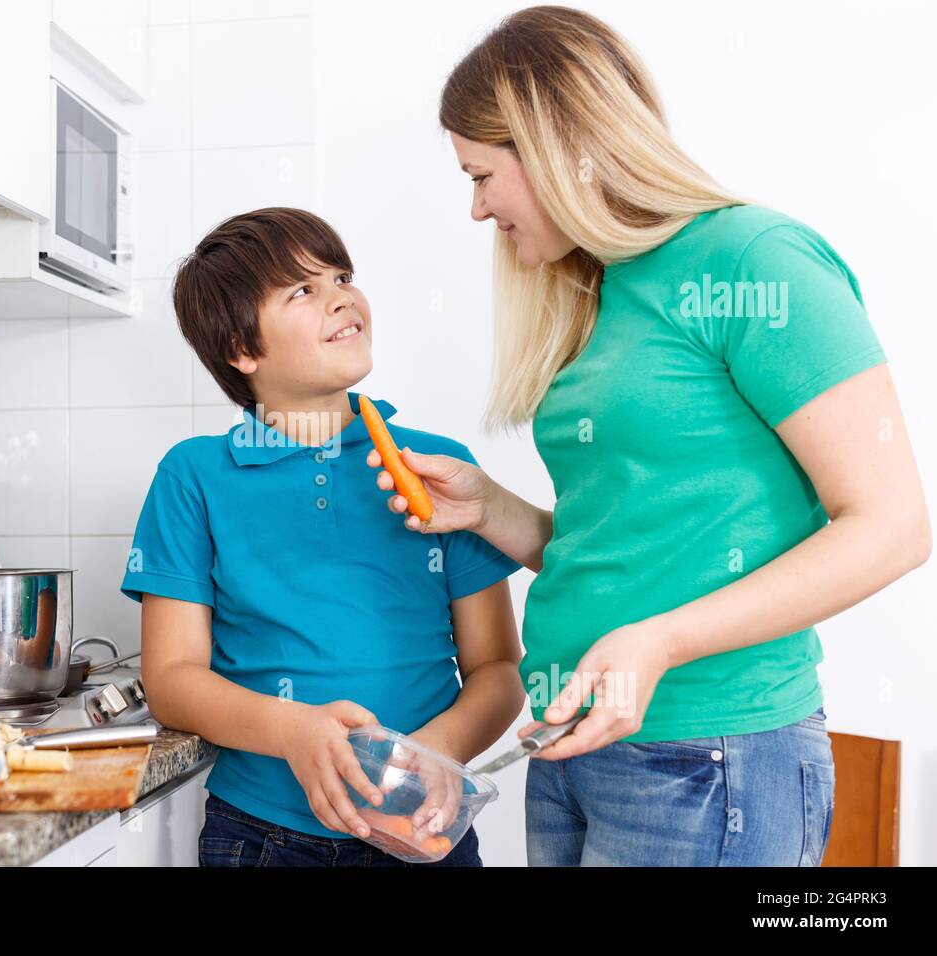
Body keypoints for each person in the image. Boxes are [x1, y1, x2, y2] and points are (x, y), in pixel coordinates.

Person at [368, 5, 930, 866]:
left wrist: (661, 643)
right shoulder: (596, 292)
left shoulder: (755, 260)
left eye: (483, 175)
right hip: (574, 749)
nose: (478, 209)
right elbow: (628, 546)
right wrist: (488, 509)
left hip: (710, 754)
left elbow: (892, 528)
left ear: (555, 143)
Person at [120, 207, 527, 866]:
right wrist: (294, 732)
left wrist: (436, 755)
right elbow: (171, 678)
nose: (343, 296)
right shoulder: (194, 477)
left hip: (425, 826)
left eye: (341, 275)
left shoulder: (437, 470)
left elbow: (498, 668)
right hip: (261, 835)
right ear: (241, 348)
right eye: (303, 289)